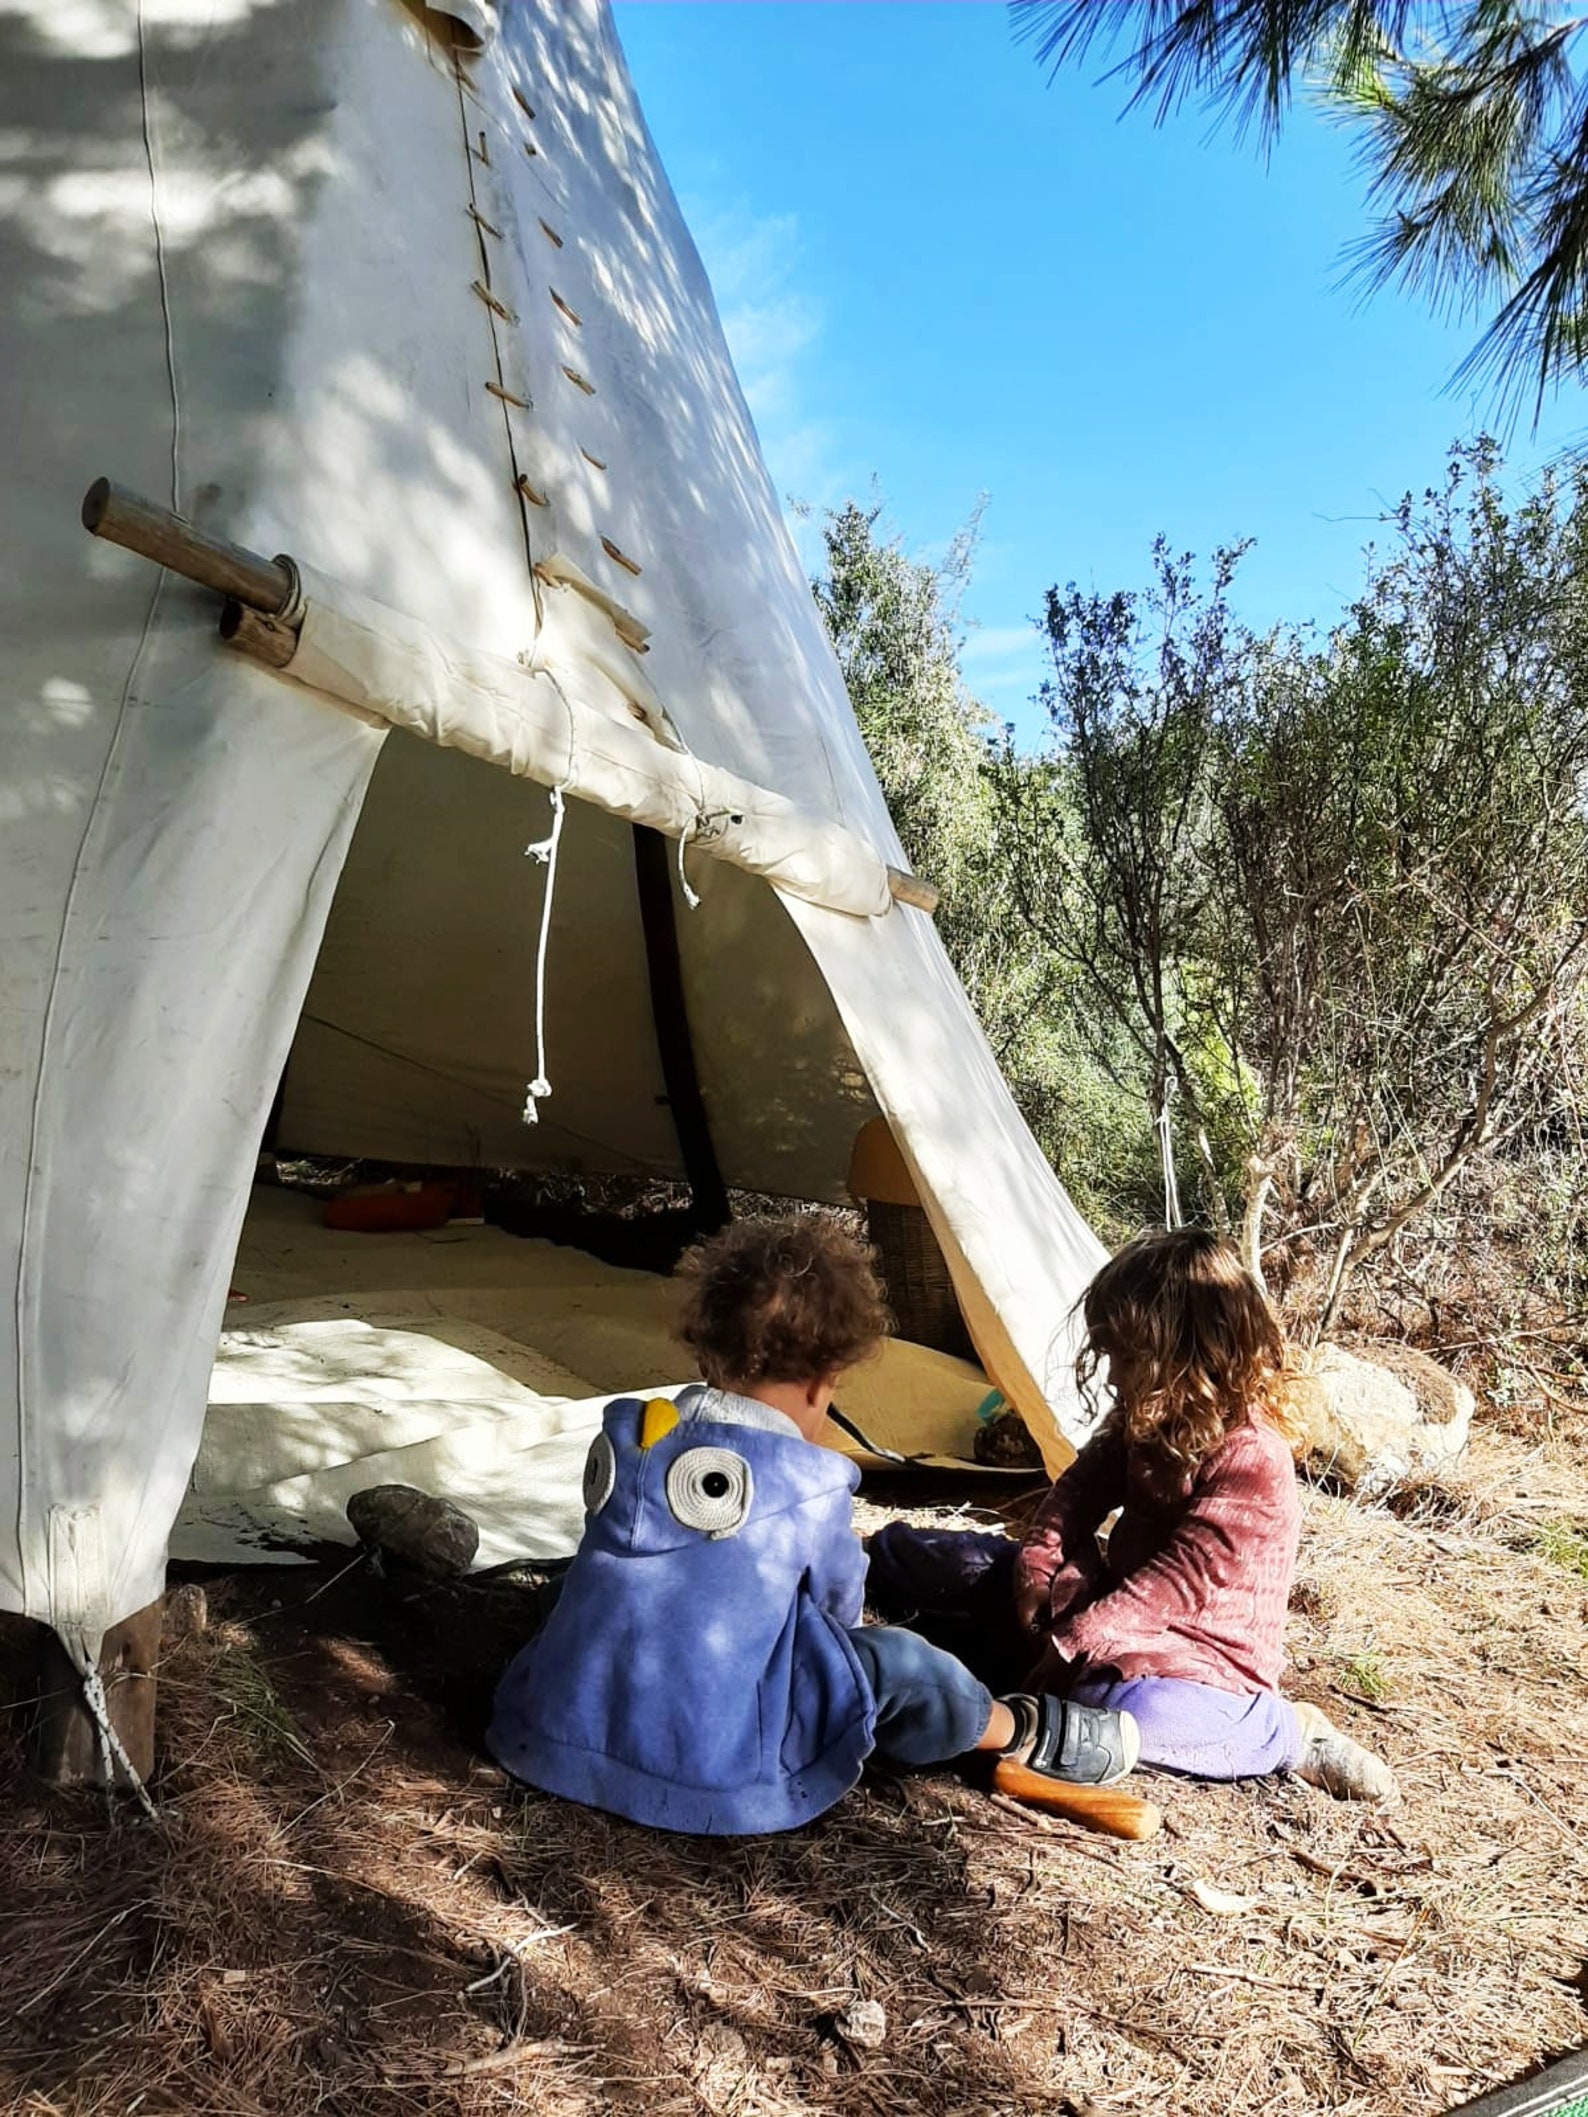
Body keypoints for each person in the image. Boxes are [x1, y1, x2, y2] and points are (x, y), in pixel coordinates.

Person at [488, 1216, 1138, 1835]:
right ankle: (1021, 1730)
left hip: (551, 1734)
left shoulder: (635, 1440)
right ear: (823, 1383)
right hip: (720, 1765)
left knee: (590, 1582)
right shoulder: (809, 1482)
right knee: (896, 1663)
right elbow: (835, 1615)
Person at [868, 1228, 1399, 1802]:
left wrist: (1069, 1642)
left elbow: (1172, 1587)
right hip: (1105, 1612)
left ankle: (1284, 1733)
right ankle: (862, 1558)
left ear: (1190, 1358)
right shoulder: (1142, 1422)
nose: (1114, 1377)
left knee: (1133, 1713)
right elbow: (1071, 1500)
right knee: (951, 1562)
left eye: (1127, 1358)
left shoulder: (1253, 1459)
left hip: (1192, 1660)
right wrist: (1037, 1573)